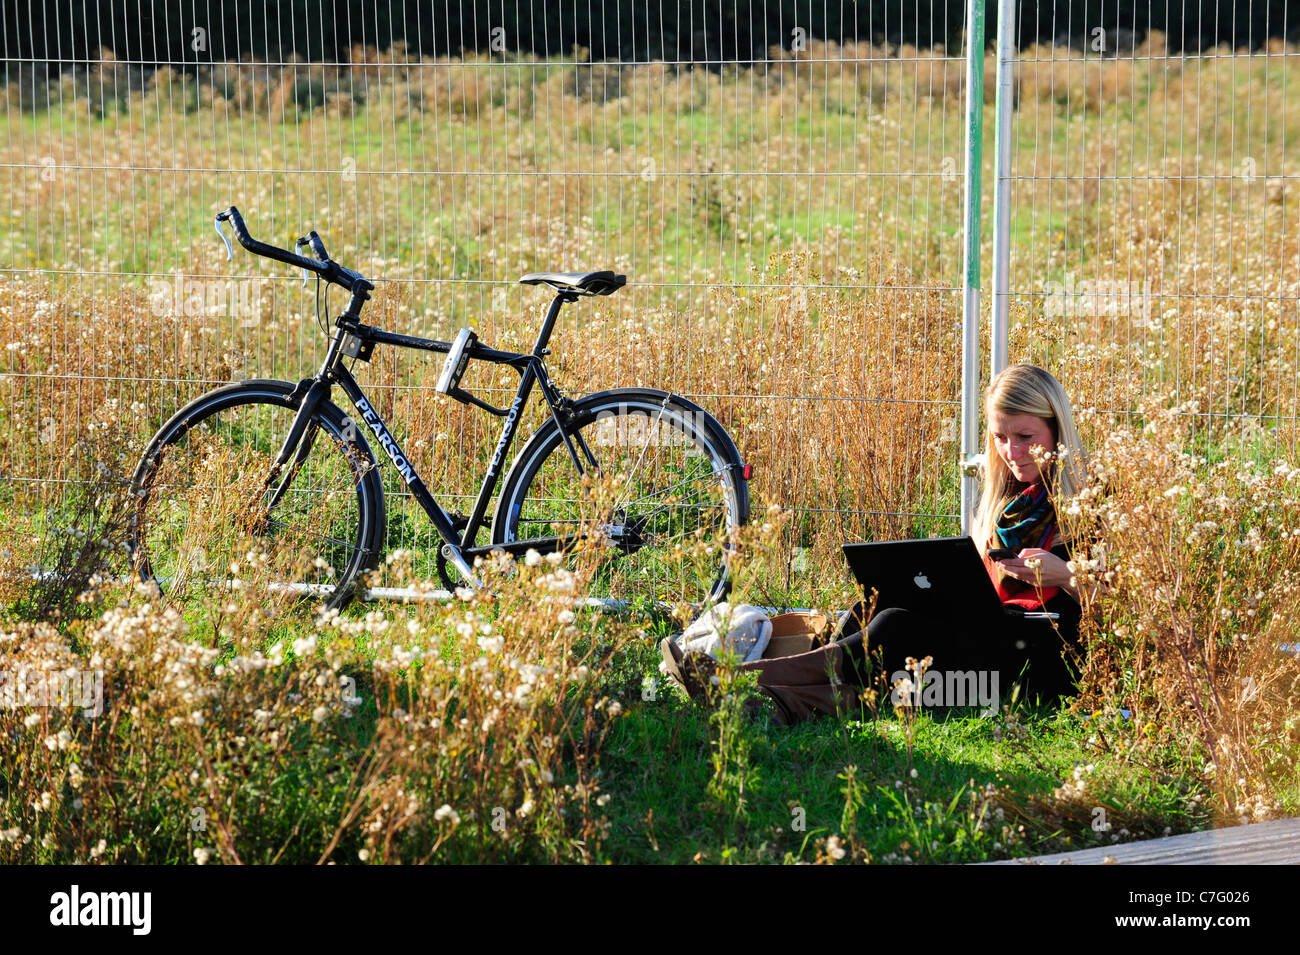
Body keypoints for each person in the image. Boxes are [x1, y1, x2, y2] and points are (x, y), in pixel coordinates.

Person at [836, 364, 1088, 705]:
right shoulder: (1001, 500)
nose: (1011, 452)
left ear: (1057, 431)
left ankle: (770, 678)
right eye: (1000, 438)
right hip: (982, 645)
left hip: (1040, 663)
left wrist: (1067, 576)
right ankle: (786, 694)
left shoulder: (1093, 501)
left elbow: (1130, 617)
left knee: (892, 627)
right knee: (873, 606)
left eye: (1026, 437)